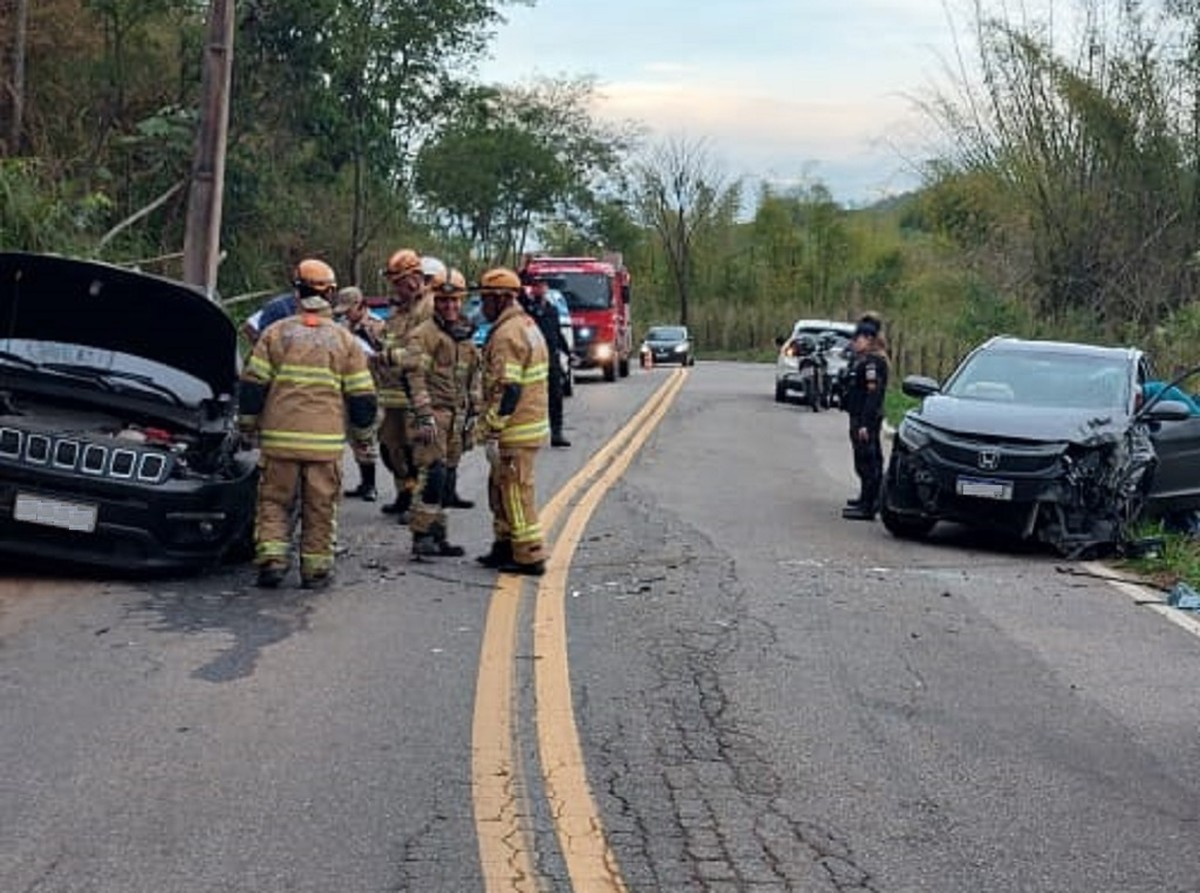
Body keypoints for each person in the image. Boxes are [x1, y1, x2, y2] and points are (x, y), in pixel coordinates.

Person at [239, 259, 378, 588]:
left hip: (279, 439)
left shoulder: (276, 333)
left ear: (296, 290)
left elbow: (252, 385)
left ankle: (272, 560)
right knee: (321, 506)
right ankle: (316, 571)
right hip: (324, 443)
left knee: (274, 501)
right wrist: (362, 436)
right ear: (330, 294)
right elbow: (362, 398)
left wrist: (247, 426)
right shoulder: (344, 341)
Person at [474, 267, 551, 576]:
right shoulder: (525, 325)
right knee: (501, 488)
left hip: (516, 428)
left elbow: (509, 389)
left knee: (516, 492)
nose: (482, 306)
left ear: (501, 299)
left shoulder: (508, 334)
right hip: (526, 423)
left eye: (486, 299)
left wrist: (492, 427)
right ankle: (504, 545)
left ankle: (529, 554)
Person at [399, 268, 475, 557]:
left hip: (457, 417)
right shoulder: (424, 335)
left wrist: (474, 413)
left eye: (455, 300)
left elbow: (472, 377)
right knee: (433, 475)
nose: (449, 306)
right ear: (435, 303)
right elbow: (414, 376)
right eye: (443, 302)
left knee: (448, 479)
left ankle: (439, 534)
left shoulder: (464, 336)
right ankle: (422, 535)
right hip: (433, 416)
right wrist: (424, 415)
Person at [372, 248, 432, 523]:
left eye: (400, 282)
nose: (396, 287)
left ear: (416, 278)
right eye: (394, 282)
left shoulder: (428, 308)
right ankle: (404, 494)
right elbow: (389, 339)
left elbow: (420, 353)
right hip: (392, 391)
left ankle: (418, 503)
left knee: (416, 451)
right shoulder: (398, 310)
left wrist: (388, 356)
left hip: (416, 392)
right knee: (391, 448)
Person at [334, 286, 386, 501]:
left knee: (366, 435)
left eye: (349, 310)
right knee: (351, 437)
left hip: (371, 388)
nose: (346, 315)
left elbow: (385, 355)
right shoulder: (342, 327)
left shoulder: (378, 325)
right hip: (346, 389)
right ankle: (362, 483)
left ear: (360, 305)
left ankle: (371, 485)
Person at [842, 316, 890, 521]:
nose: (854, 343)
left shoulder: (873, 363)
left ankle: (868, 506)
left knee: (867, 462)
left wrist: (864, 424)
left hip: (865, 419)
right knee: (864, 460)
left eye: (858, 339)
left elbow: (873, 395)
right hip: (861, 416)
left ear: (869, 339)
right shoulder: (866, 360)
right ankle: (866, 499)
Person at [520, 274, 571, 447]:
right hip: (532, 360)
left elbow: (557, 333)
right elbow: (518, 294)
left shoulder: (552, 310)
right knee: (531, 398)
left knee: (556, 397)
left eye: (541, 285)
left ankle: (556, 433)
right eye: (535, 286)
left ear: (546, 288)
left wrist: (568, 352)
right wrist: (522, 273)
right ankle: (529, 435)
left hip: (551, 360)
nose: (539, 288)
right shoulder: (526, 308)